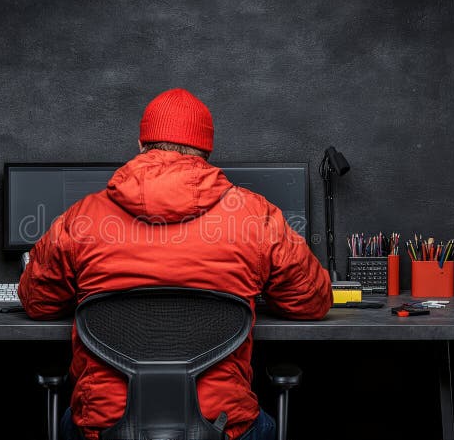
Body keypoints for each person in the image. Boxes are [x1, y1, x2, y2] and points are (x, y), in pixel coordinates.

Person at [19, 88, 332, 440]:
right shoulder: (256, 216)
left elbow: (37, 302)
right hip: (222, 426)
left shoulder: (81, 218)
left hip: (104, 427)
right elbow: (313, 302)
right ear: (205, 152)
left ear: (141, 144)